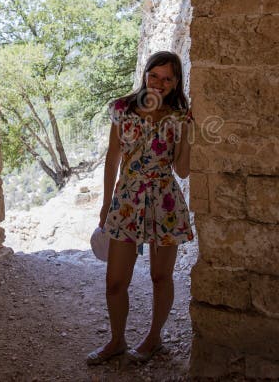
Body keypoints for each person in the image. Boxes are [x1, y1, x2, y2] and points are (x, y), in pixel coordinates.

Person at [86, 50, 194, 365]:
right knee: (115, 281)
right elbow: (112, 158)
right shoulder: (123, 109)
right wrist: (107, 203)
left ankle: (153, 339)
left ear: (176, 83)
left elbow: (183, 170)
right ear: (145, 74)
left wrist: (188, 133)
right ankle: (117, 341)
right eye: (154, 75)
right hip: (127, 201)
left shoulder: (177, 117)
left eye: (167, 78)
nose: (159, 83)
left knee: (162, 278)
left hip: (165, 202)